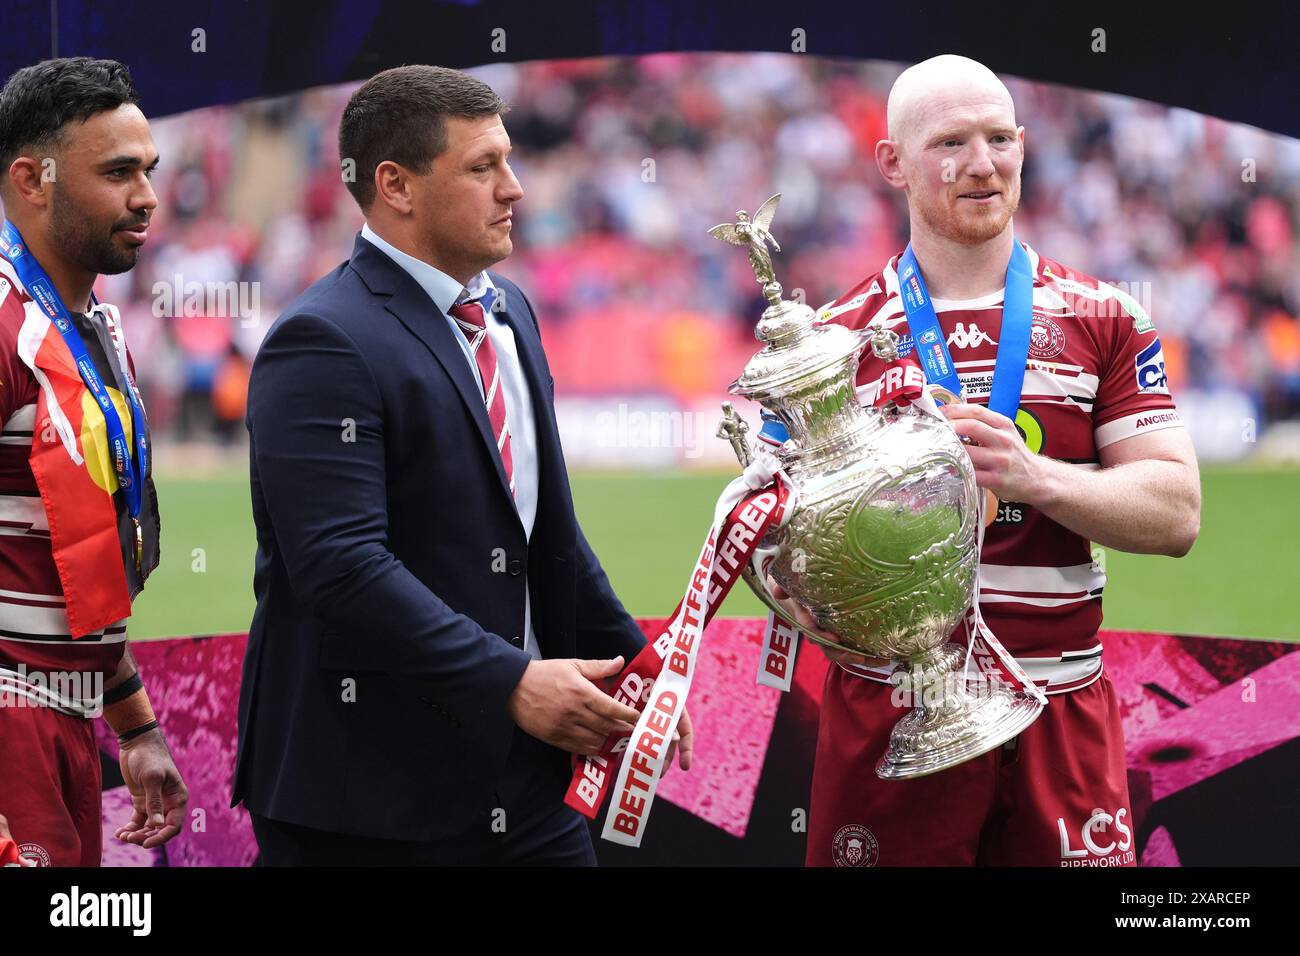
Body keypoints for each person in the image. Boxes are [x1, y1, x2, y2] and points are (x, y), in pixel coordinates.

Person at [232, 64, 692, 866]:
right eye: (483, 167)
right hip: (371, 798)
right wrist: (513, 681)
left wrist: (635, 658)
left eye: (508, 162)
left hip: (522, 779)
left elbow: (546, 533)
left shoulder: (508, 310)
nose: (514, 188)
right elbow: (339, 566)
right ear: (396, 186)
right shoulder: (322, 340)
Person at [770, 54, 1201, 867]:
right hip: (894, 714)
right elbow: (773, 542)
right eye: (950, 142)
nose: (981, 163)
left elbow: (1177, 514)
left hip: (1058, 705)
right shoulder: (829, 342)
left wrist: (1035, 478)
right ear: (892, 162)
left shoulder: (1106, 315)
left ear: (1024, 146)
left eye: (999, 137)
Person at [0, 57, 187, 866]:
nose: (146, 196)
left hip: (70, 728)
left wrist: (134, 725)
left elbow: (82, 561)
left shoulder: (96, 329)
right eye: (117, 173)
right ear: (31, 180)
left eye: (148, 169)